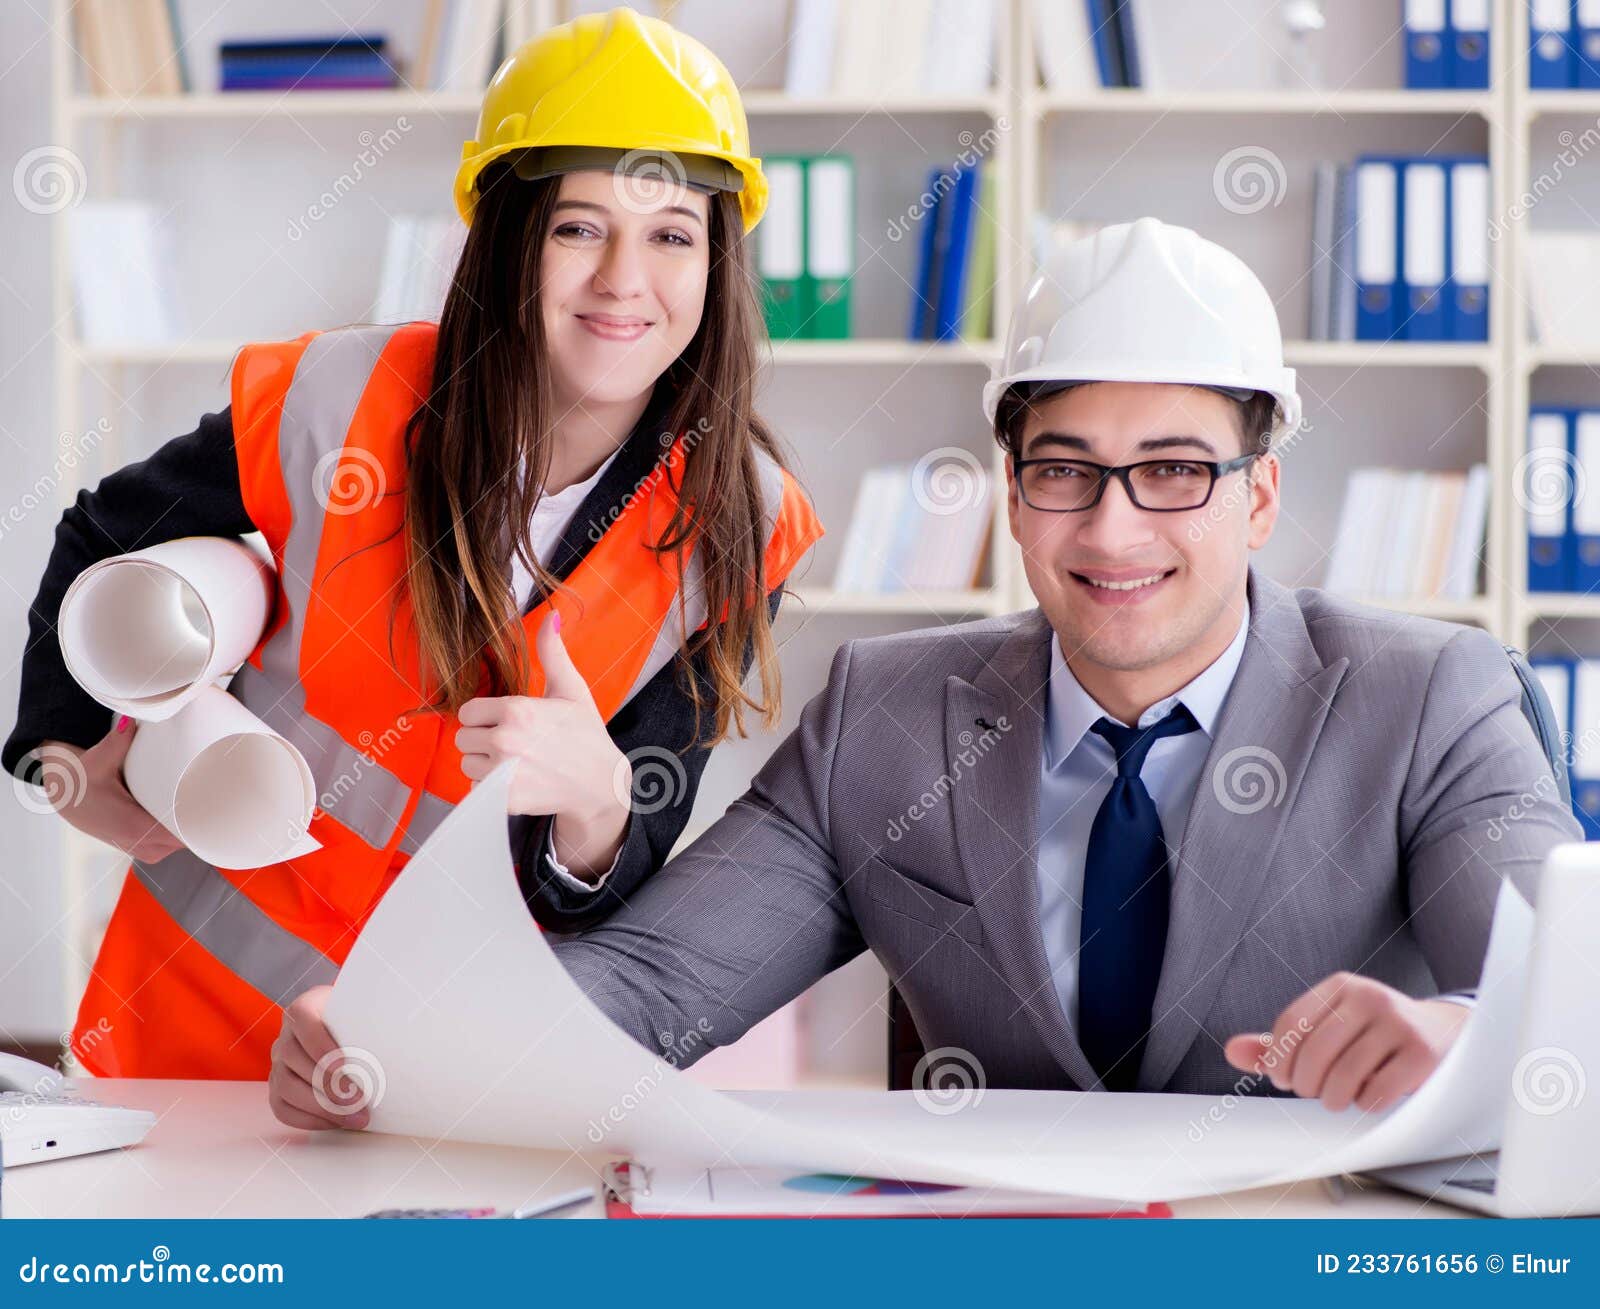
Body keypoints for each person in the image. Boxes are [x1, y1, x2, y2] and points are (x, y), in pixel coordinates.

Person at [272, 216, 1576, 1129]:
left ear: (1261, 495)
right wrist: (404, 1034)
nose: (1113, 528)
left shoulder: (1431, 700)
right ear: (1013, 493)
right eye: (1065, 470)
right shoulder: (886, 715)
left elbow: (1565, 998)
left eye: (1175, 471)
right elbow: (655, 988)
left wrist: (1472, 1040)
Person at [3, 7, 822, 1081]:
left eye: (672, 234)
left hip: (442, 1062)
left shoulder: (738, 522)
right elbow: (105, 529)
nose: (625, 279)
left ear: (718, 260)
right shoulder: (343, 396)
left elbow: (617, 877)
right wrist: (57, 746)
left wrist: (597, 804)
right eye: (579, 228)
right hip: (186, 1028)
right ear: (507, 241)